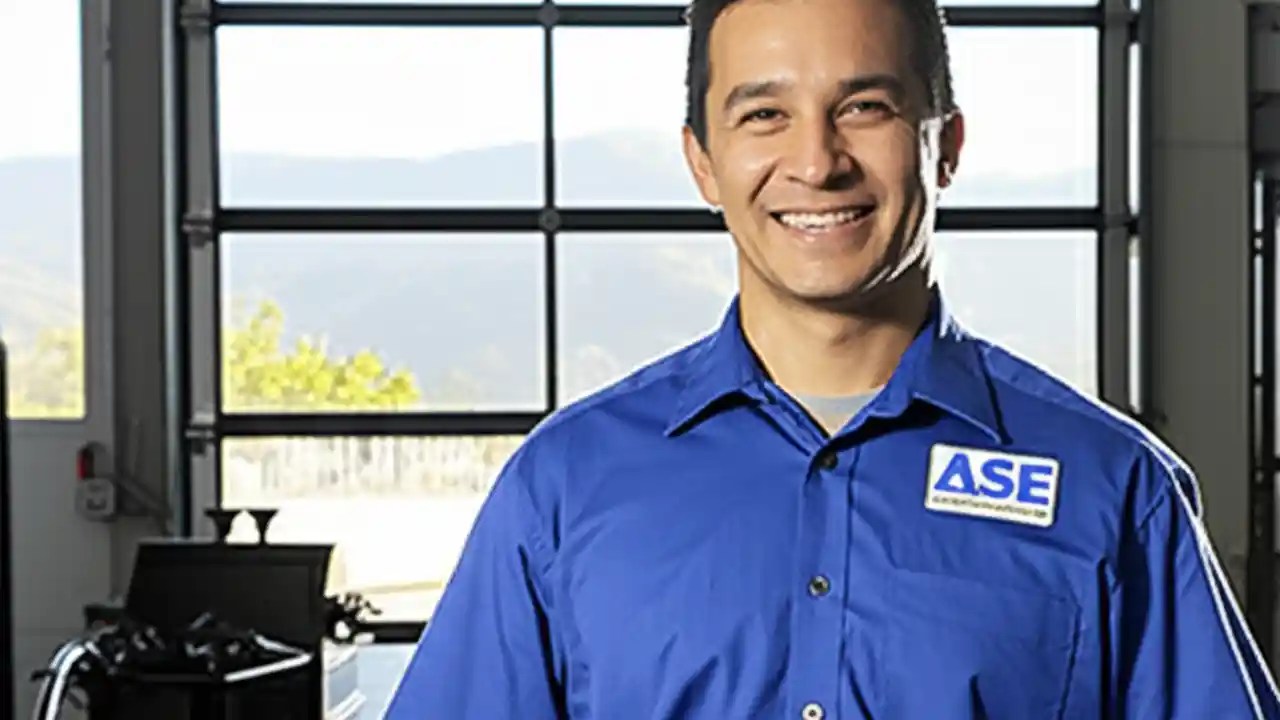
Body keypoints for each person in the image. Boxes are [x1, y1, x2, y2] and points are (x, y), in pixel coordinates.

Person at [385, 0, 1280, 716]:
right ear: (703, 160)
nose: (815, 161)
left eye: (864, 107)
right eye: (764, 113)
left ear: (947, 147)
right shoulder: (564, 489)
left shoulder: (1114, 491)